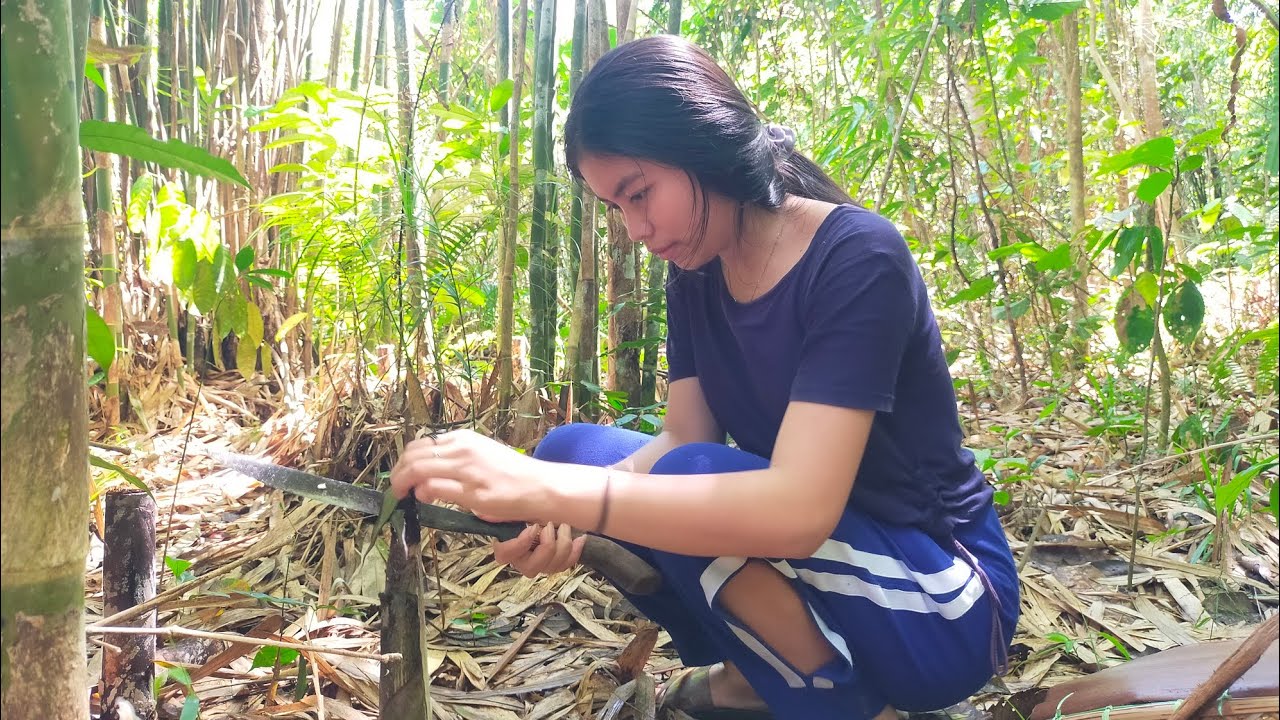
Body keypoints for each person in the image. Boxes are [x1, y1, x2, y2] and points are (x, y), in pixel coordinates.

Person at [390, 34, 1019, 720]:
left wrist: (562, 493)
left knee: (662, 475)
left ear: (704, 142)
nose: (635, 228)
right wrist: (549, 496)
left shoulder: (857, 257)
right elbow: (678, 438)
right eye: (616, 208)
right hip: (845, 564)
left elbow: (800, 510)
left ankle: (835, 699)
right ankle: (767, 671)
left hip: (946, 603)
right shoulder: (695, 274)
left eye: (639, 194)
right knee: (571, 450)